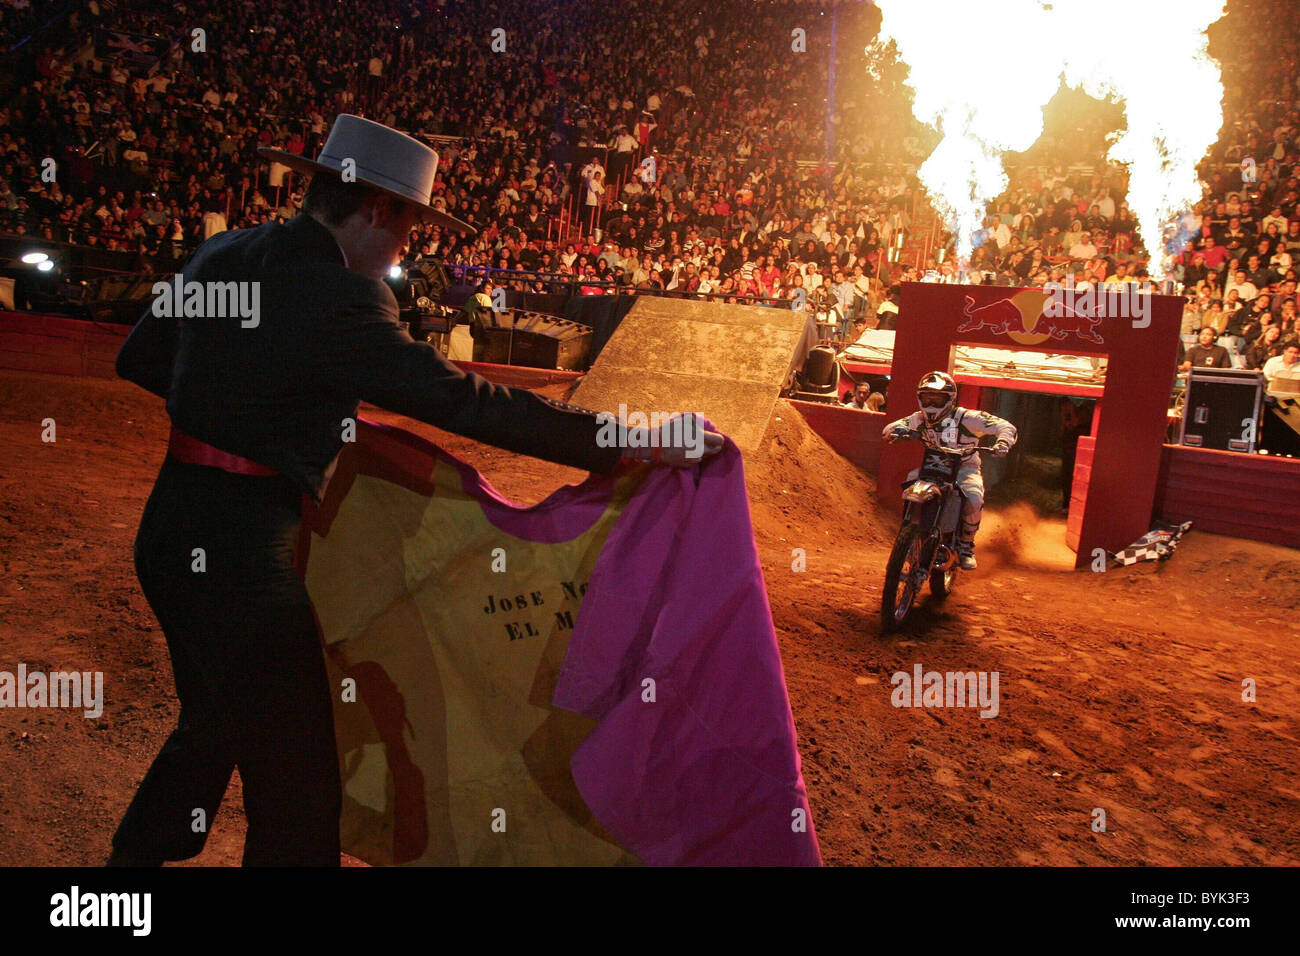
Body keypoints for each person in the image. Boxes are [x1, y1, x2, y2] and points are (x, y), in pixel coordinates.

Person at [107, 115, 724, 867]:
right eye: (409, 228)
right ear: (375, 209)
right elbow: (467, 402)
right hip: (245, 559)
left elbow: (140, 360)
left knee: (216, 720)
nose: (407, 248)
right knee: (299, 779)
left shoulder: (222, 251)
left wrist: (247, 397)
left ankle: (126, 873)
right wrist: (630, 436)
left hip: (170, 532)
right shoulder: (343, 298)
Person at [881, 371, 1016, 570]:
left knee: (974, 497)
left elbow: (1005, 426)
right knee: (910, 481)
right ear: (920, 397)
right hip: (933, 467)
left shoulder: (968, 418)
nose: (932, 403)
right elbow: (890, 428)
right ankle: (909, 531)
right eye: (927, 398)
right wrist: (898, 431)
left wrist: (1003, 442)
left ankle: (965, 545)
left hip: (964, 468)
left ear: (950, 398)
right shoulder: (919, 419)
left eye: (937, 399)